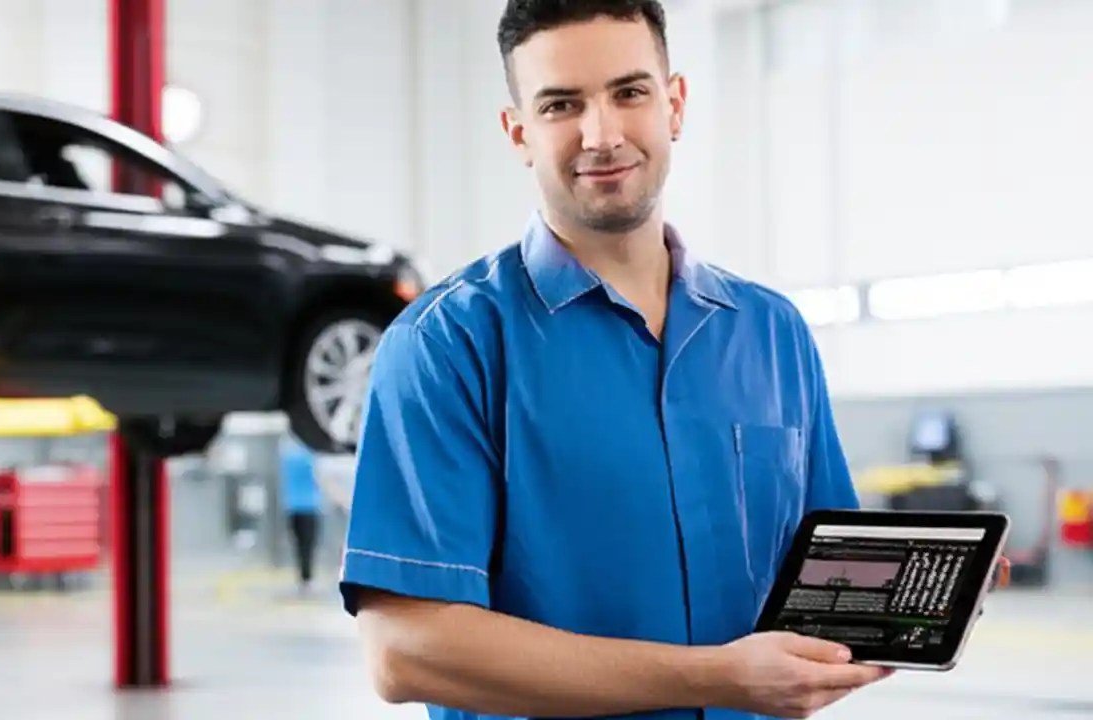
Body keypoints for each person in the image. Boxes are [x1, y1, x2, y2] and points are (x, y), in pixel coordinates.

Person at [340, 2, 901, 718]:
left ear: (676, 104)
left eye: (629, 92)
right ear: (519, 132)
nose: (601, 134)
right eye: (561, 104)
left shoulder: (774, 333)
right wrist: (716, 678)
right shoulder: (447, 345)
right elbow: (405, 648)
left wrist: (920, 603)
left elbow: (830, 580)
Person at [279, 433, 322, 595]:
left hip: (291, 507)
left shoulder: (288, 457)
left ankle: (302, 580)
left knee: (298, 546)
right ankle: (308, 581)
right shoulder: (310, 457)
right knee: (309, 546)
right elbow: (321, 479)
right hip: (310, 507)